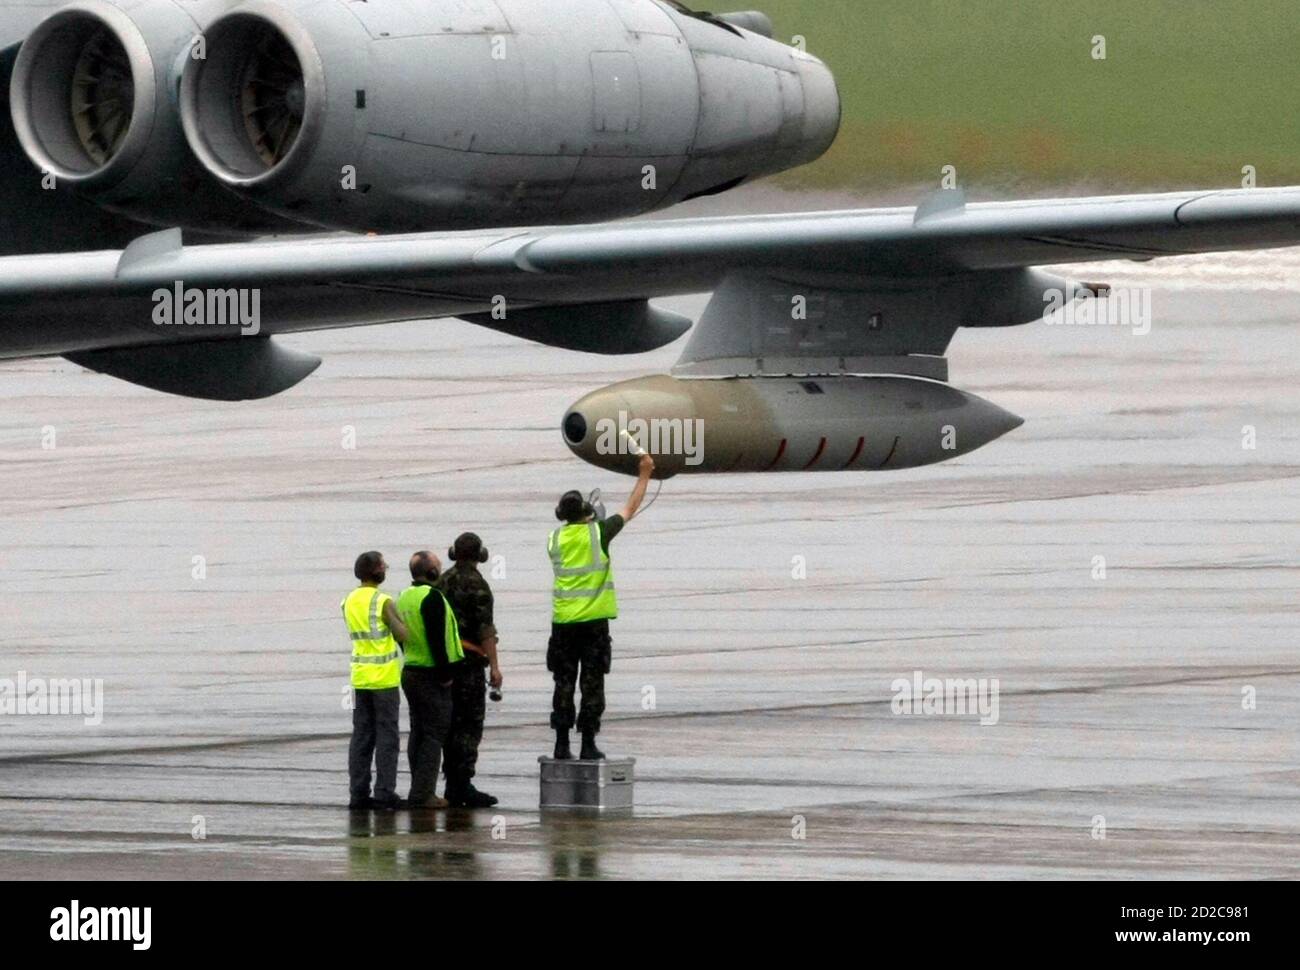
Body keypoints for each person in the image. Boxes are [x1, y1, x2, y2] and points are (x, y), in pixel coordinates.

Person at [547, 453, 654, 760]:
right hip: (593, 623)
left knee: (563, 683)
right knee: (592, 684)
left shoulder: (554, 539)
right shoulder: (599, 533)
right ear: (587, 512)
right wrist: (644, 474)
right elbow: (630, 508)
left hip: (563, 623)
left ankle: (561, 743)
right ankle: (588, 743)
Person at [438, 532, 503, 808]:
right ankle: (461, 784)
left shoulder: (442, 581)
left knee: (449, 724)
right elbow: (485, 630)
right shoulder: (478, 585)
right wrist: (495, 668)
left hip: (444, 664)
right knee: (469, 724)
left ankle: (450, 780)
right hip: (469, 664)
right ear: (480, 555)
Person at [396, 550, 465, 809]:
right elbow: (437, 640)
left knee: (418, 732)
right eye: (438, 565)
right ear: (432, 571)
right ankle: (424, 793)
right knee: (434, 735)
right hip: (431, 674)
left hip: (411, 670)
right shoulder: (432, 597)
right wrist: (445, 674)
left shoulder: (403, 597)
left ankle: (418, 787)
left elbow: (400, 635)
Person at [342, 551, 409, 811]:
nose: (386, 569)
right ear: (376, 571)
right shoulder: (382, 600)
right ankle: (384, 793)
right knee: (387, 738)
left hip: (360, 677)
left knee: (361, 736)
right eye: (383, 566)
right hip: (384, 679)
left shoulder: (348, 600)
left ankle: (358, 793)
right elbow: (402, 634)